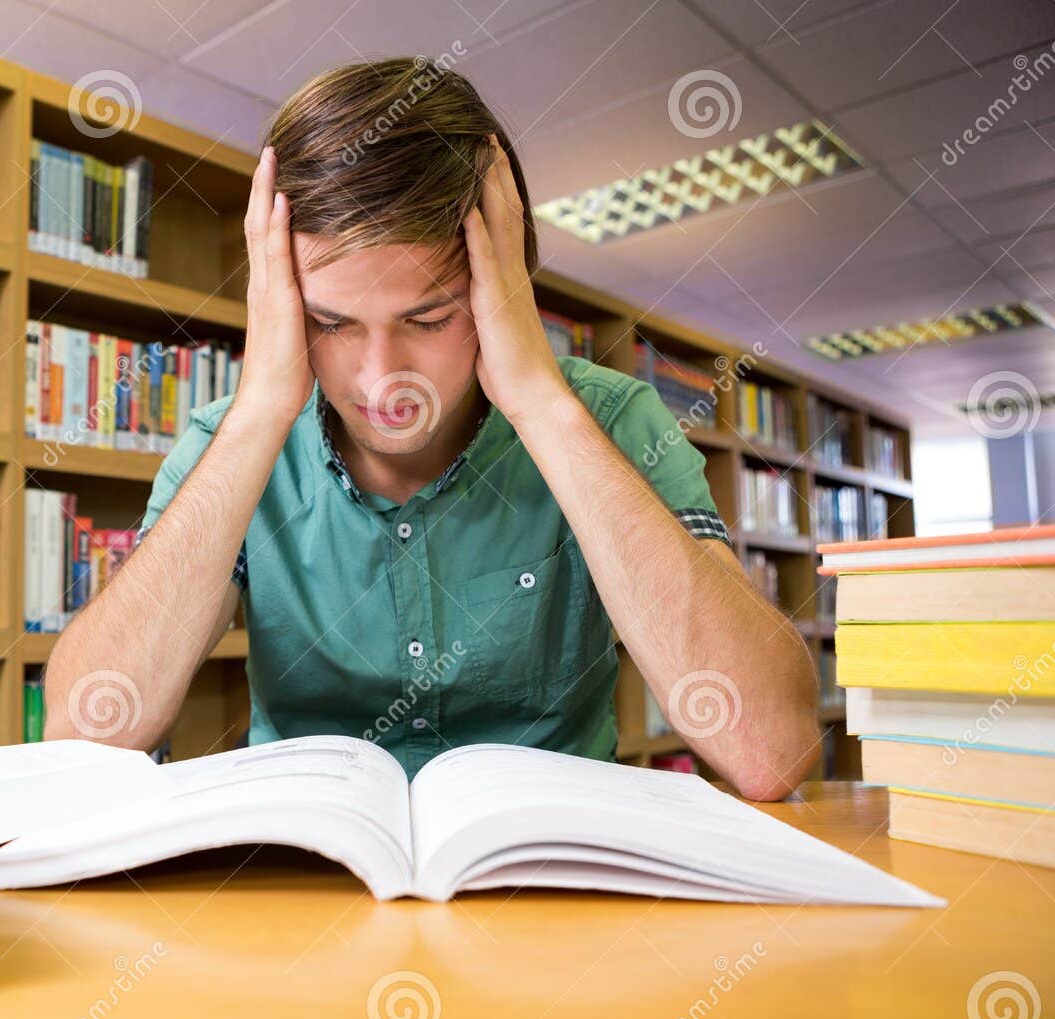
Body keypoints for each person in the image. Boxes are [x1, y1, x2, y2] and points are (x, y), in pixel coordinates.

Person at [44, 57, 819, 801]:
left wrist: (542, 405)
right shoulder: (229, 438)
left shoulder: (615, 421)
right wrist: (256, 417)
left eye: (427, 317)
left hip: (554, 898)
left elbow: (771, 750)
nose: (383, 380)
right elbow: (84, 736)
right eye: (331, 322)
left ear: (504, 288)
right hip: (305, 895)